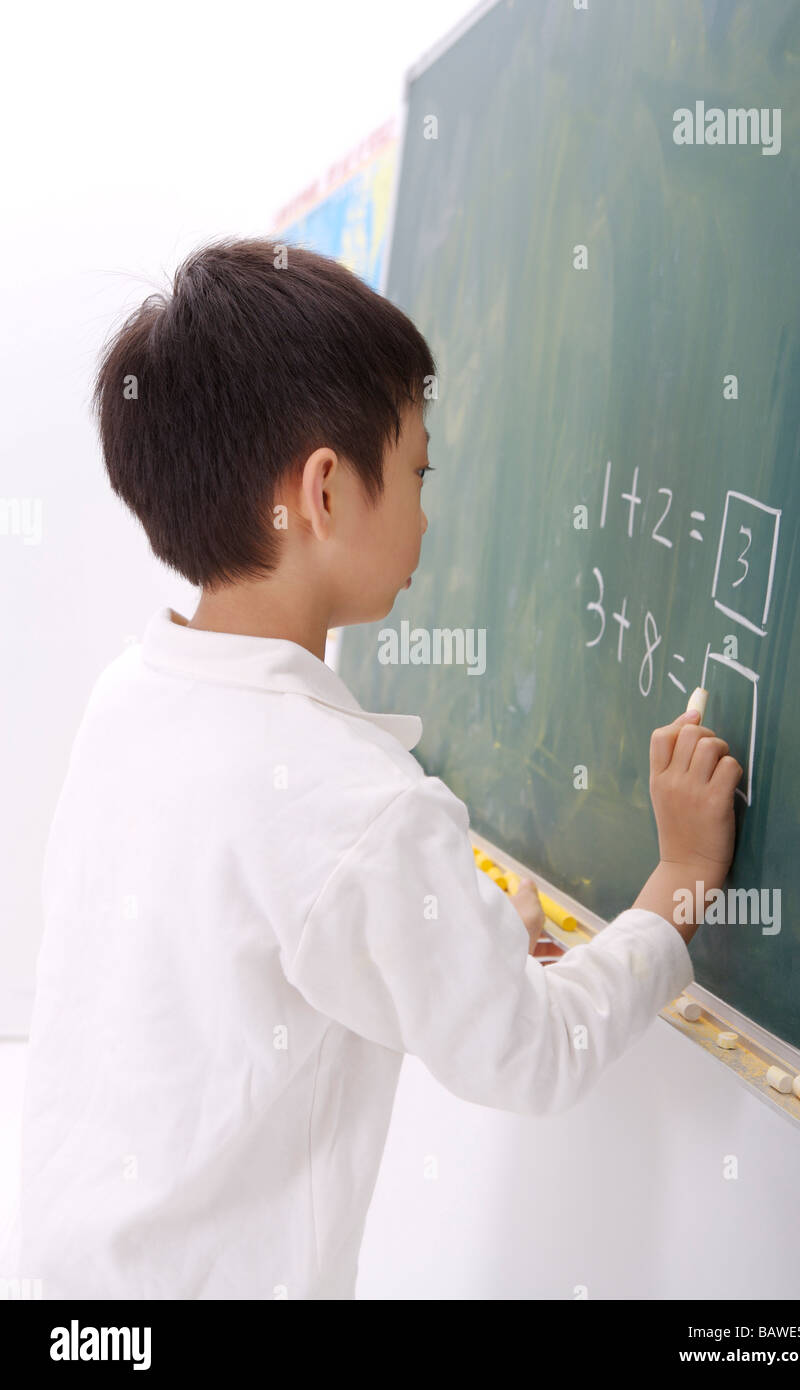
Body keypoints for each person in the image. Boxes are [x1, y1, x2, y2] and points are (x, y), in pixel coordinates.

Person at [17, 238, 743, 1300]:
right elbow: (530, 1052)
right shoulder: (353, 804)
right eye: (417, 470)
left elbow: (280, 939)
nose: (429, 513)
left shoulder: (131, 697)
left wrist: (471, 939)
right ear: (323, 490)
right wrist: (675, 881)